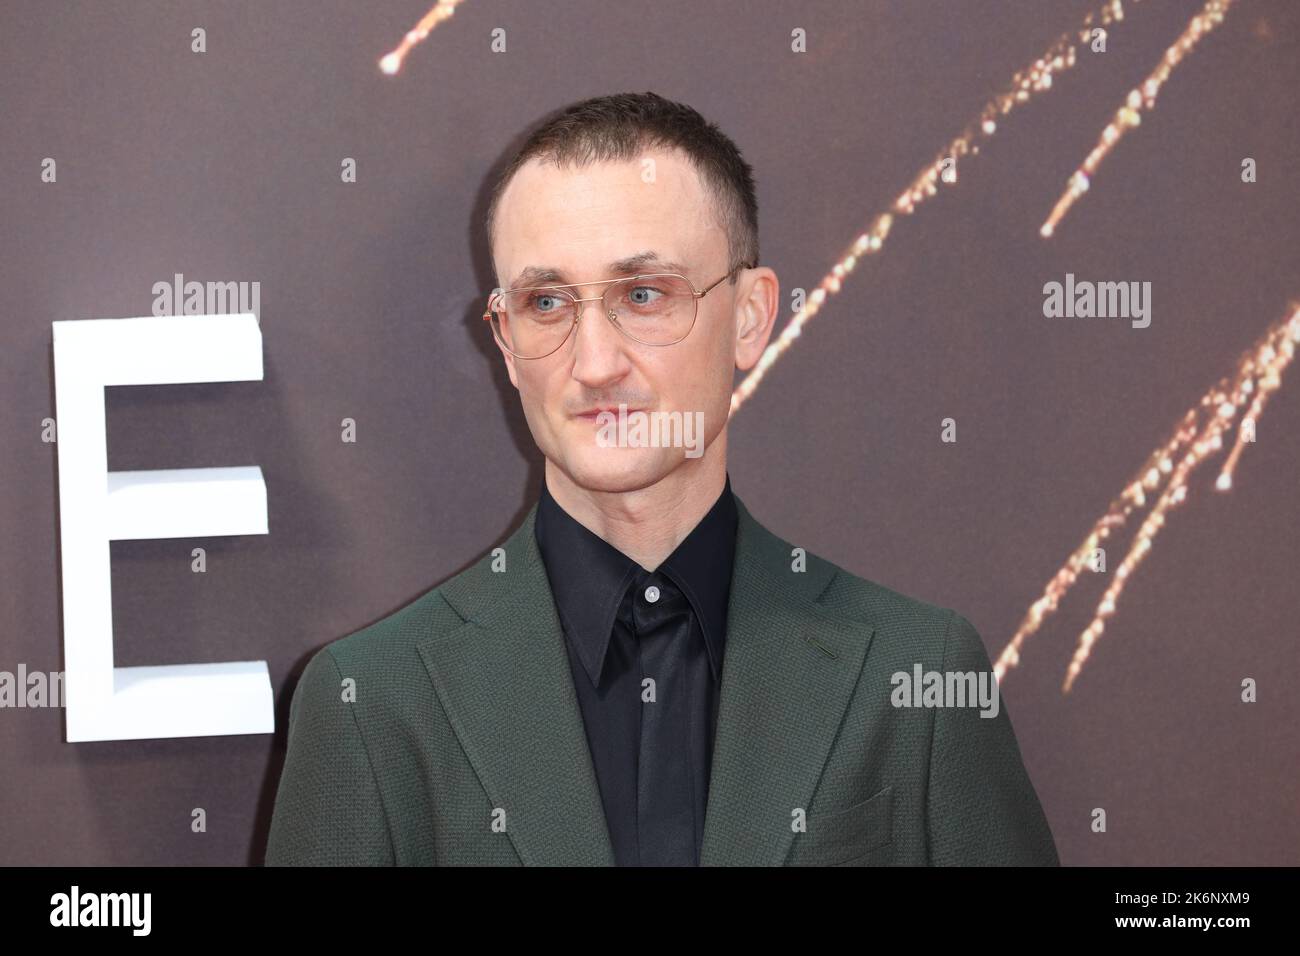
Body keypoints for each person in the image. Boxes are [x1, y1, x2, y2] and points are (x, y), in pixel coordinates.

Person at [265, 91, 1058, 866]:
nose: (596, 364)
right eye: (547, 303)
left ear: (750, 317)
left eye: (643, 296)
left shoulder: (916, 672)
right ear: (505, 342)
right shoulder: (369, 703)